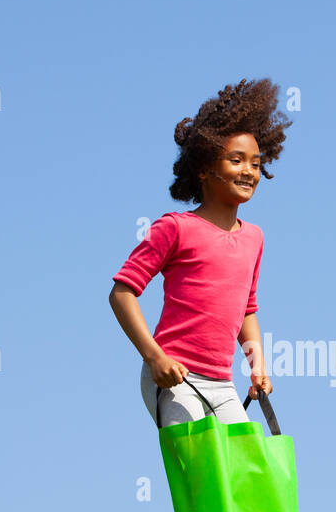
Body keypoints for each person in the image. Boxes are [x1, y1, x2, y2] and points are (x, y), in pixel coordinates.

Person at [108, 78, 293, 428]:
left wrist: (257, 366)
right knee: (200, 476)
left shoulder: (255, 237)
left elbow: (246, 310)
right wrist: (154, 357)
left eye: (256, 163)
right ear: (206, 168)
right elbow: (121, 293)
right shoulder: (175, 227)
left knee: (242, 477)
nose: (249, 172)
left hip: (223, 385)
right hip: (177, 377)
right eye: (236, 160)